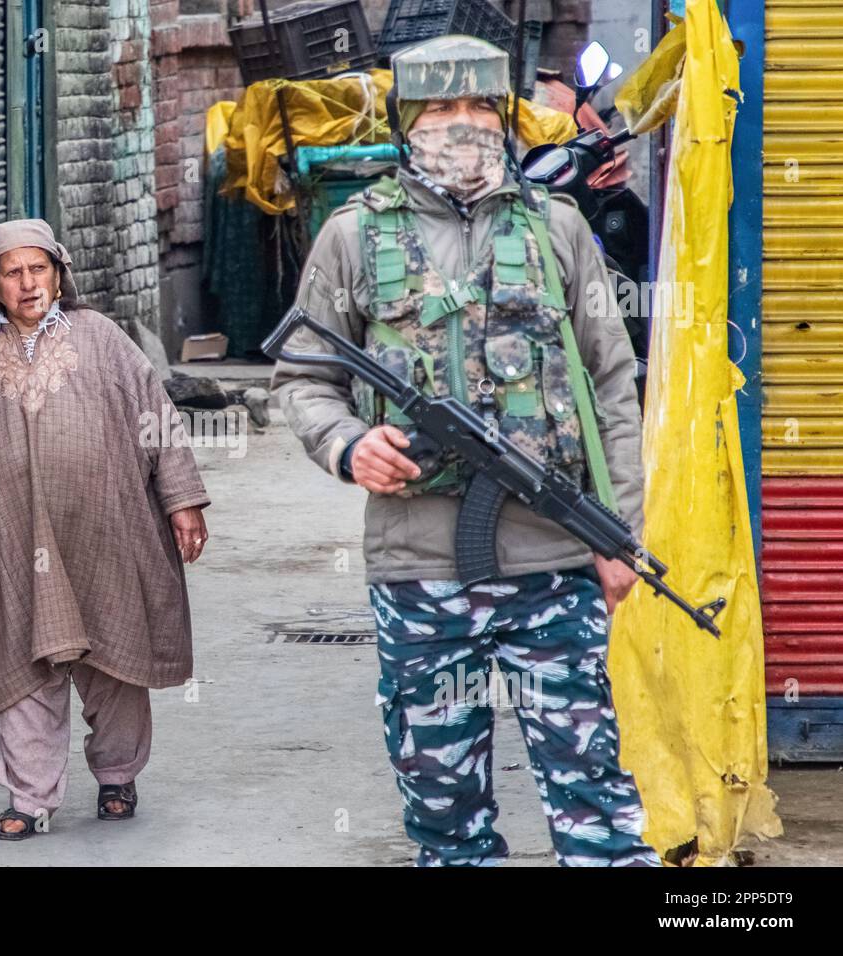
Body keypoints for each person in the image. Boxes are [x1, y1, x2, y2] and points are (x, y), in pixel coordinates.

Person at [271, 35, 660, 867]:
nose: (461, 126)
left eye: (479, 107)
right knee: (444, 813)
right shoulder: (351, 235)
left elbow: (613, 383)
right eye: (441, 110)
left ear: (504, 118)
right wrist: (348, 445)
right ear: (410, 122)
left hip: (555, 560)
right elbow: (303, 380)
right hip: (417, 566)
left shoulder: (557, 227)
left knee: (595, 801)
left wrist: (620, 535)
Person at [0, 218, 210, 840]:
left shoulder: (100, 337)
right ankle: (29, 796)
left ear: (59, 273)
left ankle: (117, 774)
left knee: (114, 660)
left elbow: (158, 417)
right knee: (20, 656)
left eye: (39, 269)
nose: (29, 283)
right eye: (13, 272)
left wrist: (182, 500)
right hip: (11, 542)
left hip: (106, 532)